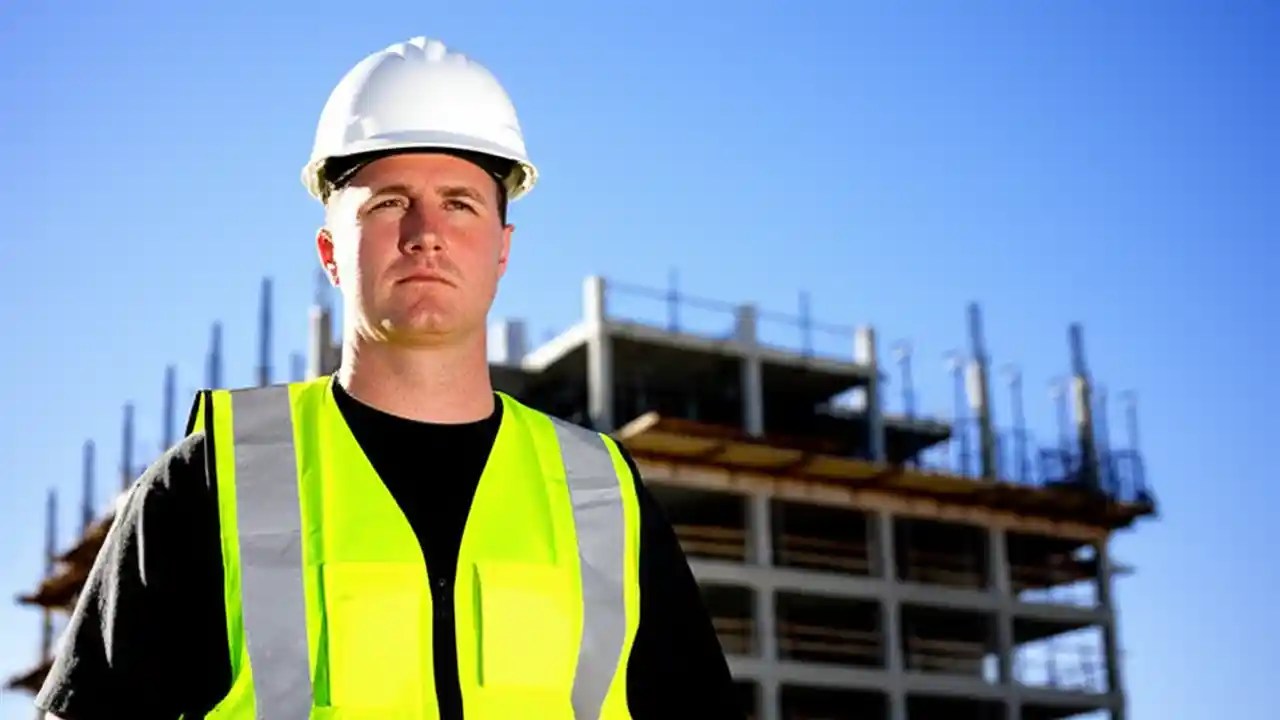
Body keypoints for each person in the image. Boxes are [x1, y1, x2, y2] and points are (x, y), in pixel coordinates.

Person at [36, 36, 743, 720]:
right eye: (388, 203)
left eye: (459, 203)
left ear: (503, 250)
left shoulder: (603, 496)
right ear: (330, 253)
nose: (425, 233)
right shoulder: (211, 480)